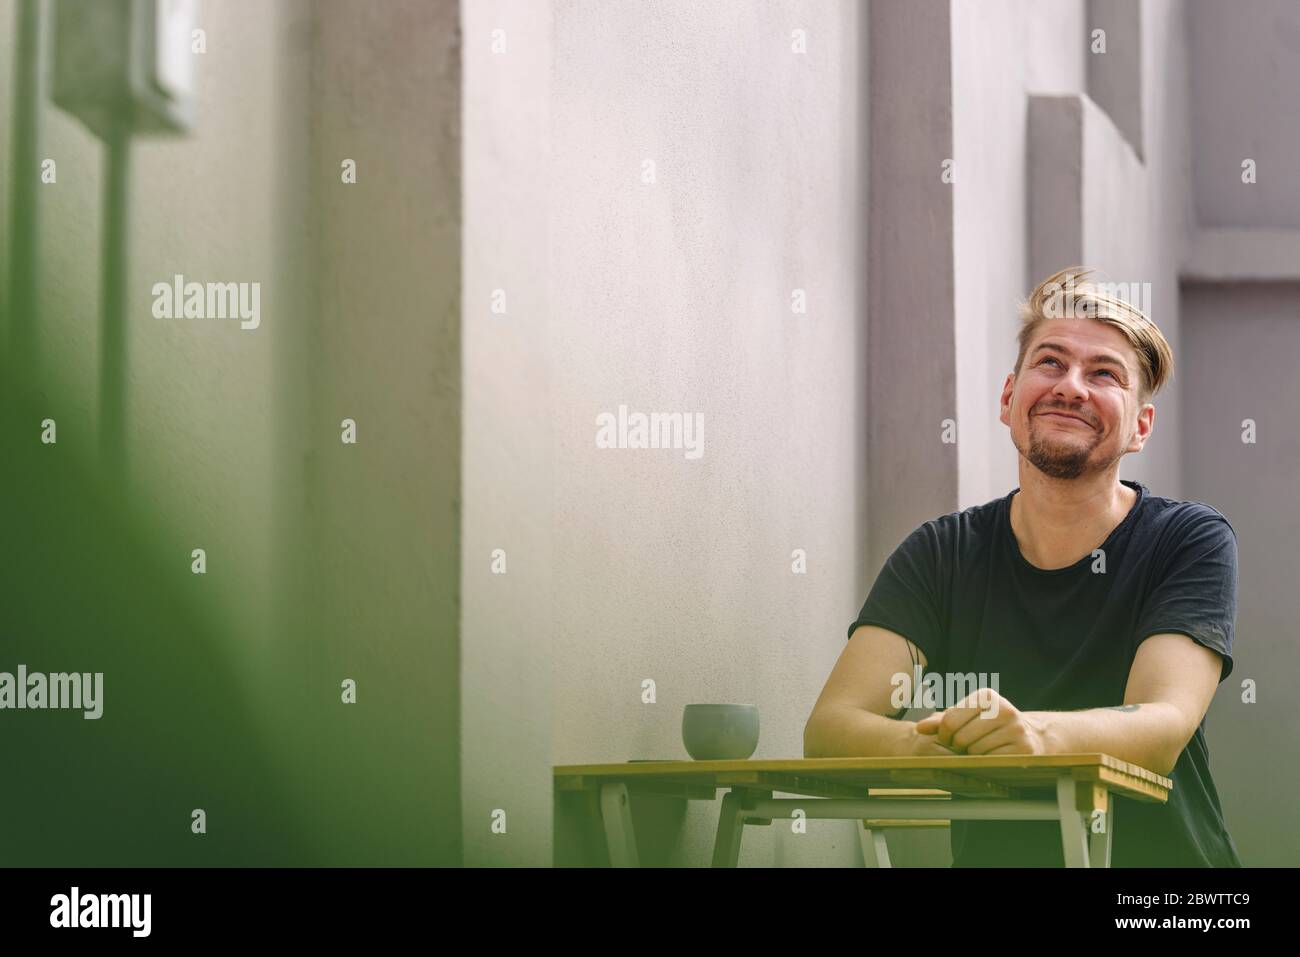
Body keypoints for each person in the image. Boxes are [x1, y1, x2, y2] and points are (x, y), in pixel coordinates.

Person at [805, 267, 1242, 867]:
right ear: (1009, 398)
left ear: (1140, 427)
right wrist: (947, 747)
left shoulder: (1188, 539)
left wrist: (1034, 737)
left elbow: (1161, 727)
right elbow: (830, 730)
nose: (1072, 387)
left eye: (1104, 374)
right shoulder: (942, 553)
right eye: (1051, 362)